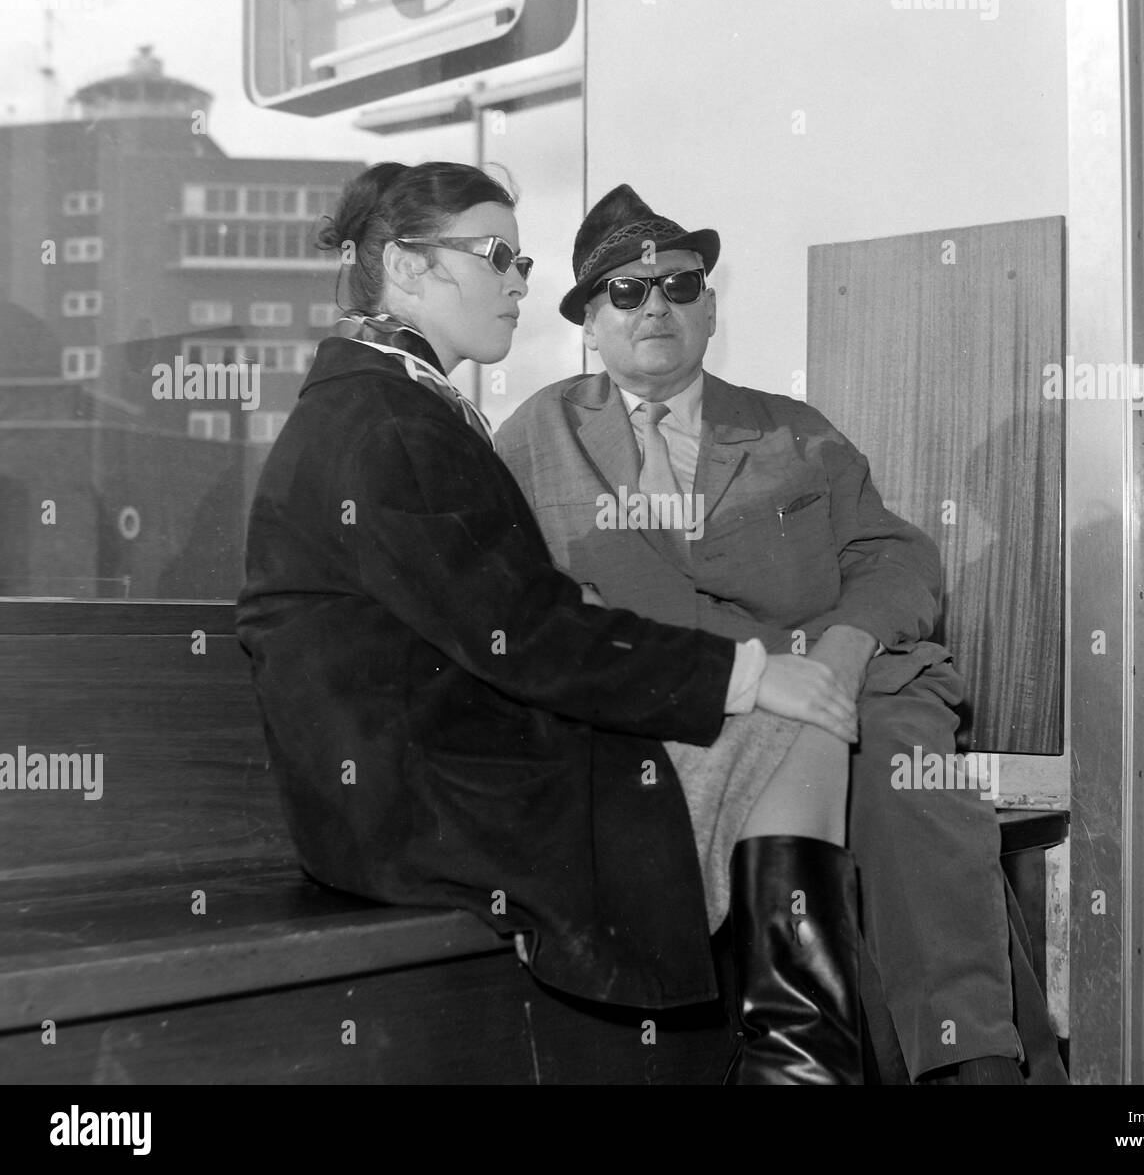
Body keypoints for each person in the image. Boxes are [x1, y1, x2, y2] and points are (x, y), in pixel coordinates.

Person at [234, 161, 867, 1085]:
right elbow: (526, 634)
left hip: (428, 775)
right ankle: (803, 1067)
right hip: (429, 803)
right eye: (496, 257)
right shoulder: (384, 423)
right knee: (790, 723)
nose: (521, 283)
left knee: (781, 730)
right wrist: (748, 671)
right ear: (408, 268)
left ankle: (794, 1064)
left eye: (521, 261)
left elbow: (509, 622)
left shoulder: (391, 400)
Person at [495, 184, 1070, 1086]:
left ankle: (977, 1067)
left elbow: (898, 559)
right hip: (681, 704)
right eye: (627, 293)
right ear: (588, 326)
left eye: (682, 288)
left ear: (711, 308)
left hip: (843, 683)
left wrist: (845, 644)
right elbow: (507, 599)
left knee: (906, 780)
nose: (657, 308)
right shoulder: (536, 438)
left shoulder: (791, 430)